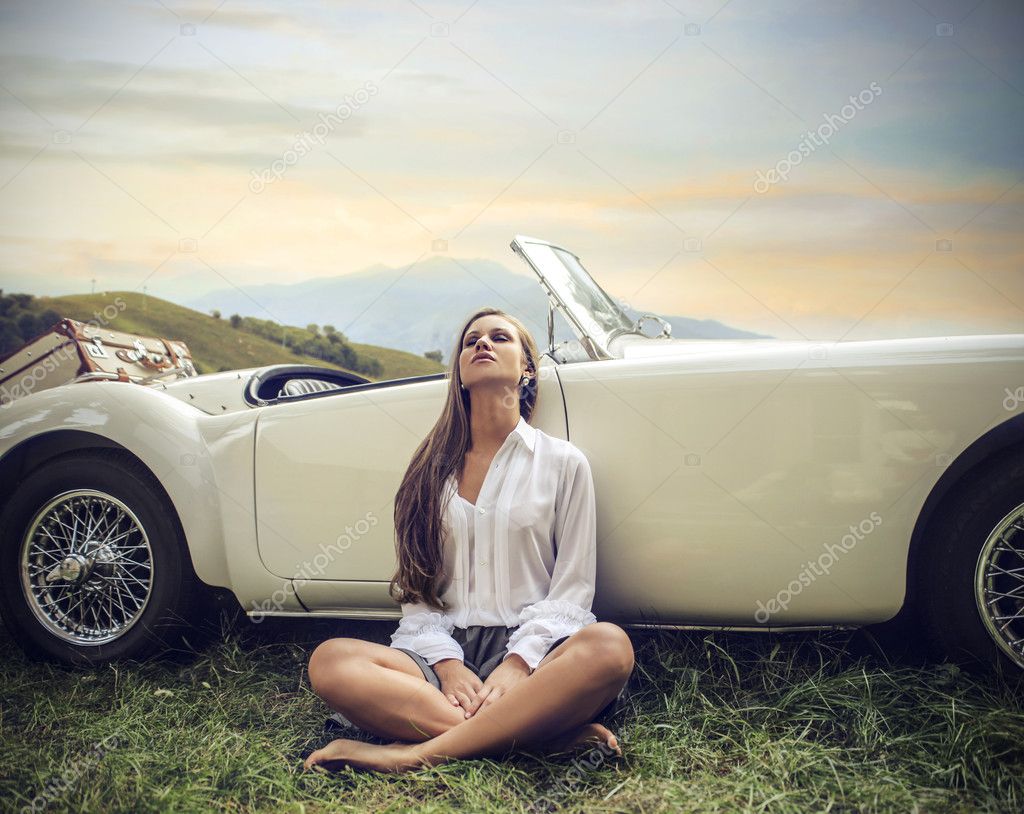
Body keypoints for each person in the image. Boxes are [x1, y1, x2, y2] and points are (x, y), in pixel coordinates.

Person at [304, 307, 635, 773]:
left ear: (526, 369)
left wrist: (519, 663)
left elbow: (573, 590)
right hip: (442, 652)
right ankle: (538, 737)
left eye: (499, 337)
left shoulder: (564, 463)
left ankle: (412, 756)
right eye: (471, 340)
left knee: (609, 647)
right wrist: (446, 666)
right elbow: (417, 589)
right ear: (460, 374)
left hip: (535, 652)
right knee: (331, 662)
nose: (482, 344)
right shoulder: (427, 471)